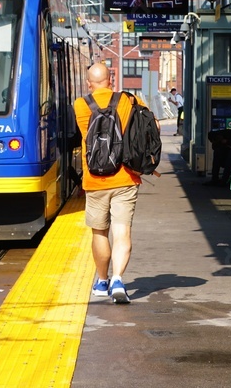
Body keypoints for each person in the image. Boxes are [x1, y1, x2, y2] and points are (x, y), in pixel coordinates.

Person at [73, 63, 145, 304]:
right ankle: (118, 279)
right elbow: (150, 126)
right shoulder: (129, 100)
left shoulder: (80, 105)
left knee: (99, 232)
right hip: (125, 177)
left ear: (88, 83)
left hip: (94, 180)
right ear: (111, 80)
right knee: (122, 231)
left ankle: (102, 281)